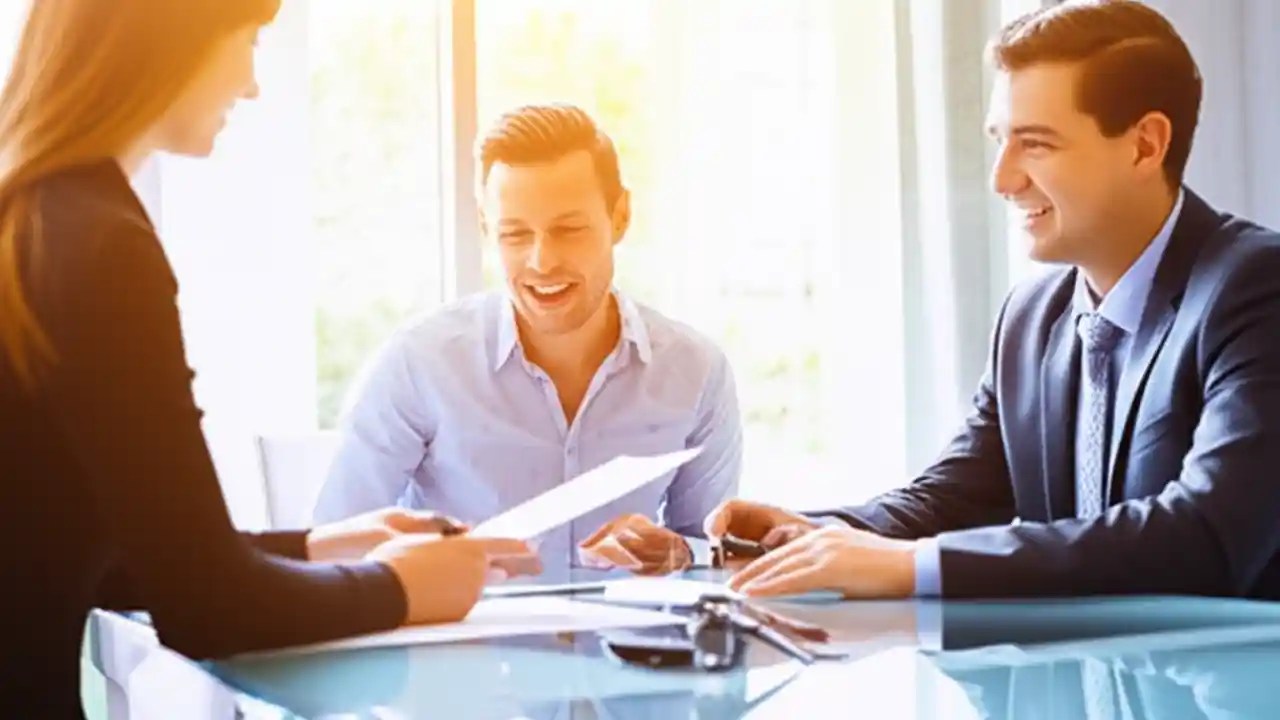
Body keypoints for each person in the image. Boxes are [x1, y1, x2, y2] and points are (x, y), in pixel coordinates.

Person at [0, 2, 536, 716]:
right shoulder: (100, 248)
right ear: (171, 41)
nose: (251, 85)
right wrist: (402, 589)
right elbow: (207, 608)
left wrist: (321, 545)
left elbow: (89, 560)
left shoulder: (33, 221)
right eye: (248, 41)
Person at [707, 0, 1280, 600]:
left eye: (1036, 145)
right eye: (999, 141)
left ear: (1144, 146)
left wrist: (916, 567)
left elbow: (1207, 537)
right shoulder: (1032, 318)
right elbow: (956, 497)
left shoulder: (1256, 288)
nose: (1002, 179)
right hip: (1083, 683)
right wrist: (817, 533)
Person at [313, 103, 743, 575]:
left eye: (569, 230)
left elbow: (713, 555)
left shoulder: (697, 372)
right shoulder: (420, 365)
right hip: (465, 642)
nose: (541, 261)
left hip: (635, 647)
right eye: (515, 234)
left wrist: (681, 554)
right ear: (485, 227)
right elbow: (334, 552)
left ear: (620, 216)